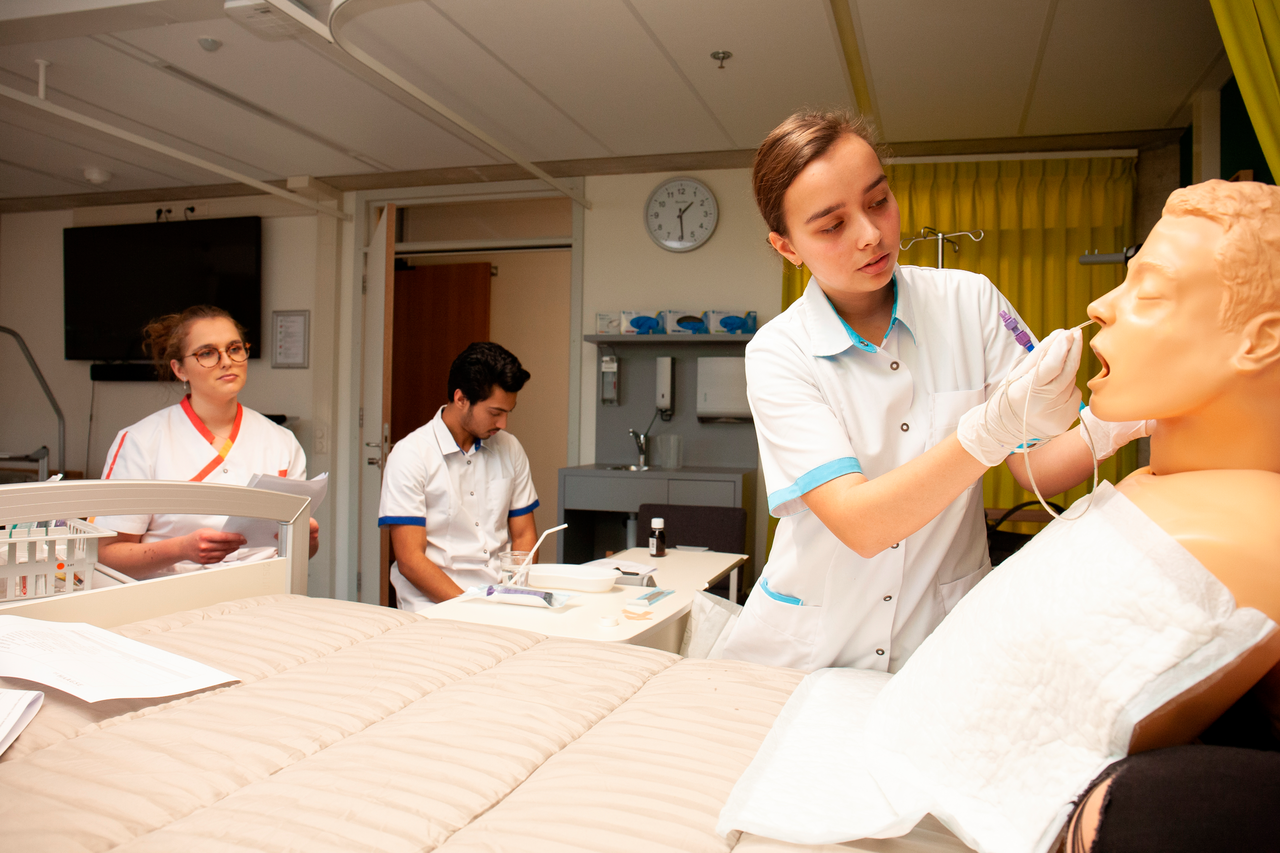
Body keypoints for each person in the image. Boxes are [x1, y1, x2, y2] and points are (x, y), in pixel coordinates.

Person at [720, 109, 1146, 672]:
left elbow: (1035, 470)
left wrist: (1132, 417)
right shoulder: (779, 352)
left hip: (941, 638)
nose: (871, 235)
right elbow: (861, 524)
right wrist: (989, 431)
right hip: (812, 647)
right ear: (787, 247)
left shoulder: (970, 302)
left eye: (878, 201)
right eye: (831, 226)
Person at [1062, 180, 1280, 852]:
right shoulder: (1148, 484)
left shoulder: (1235, 541)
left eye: (1148, 291)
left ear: (1258, 340)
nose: (1100, 305)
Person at [96, 305, 320, 579]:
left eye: (235, 348)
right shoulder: (141, 442)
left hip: (263, 596)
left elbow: (296, 553)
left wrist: (308, 541)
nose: (226, 361)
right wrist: (180, 549)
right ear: (179, 369)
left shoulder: (282, 442)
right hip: (172, 602)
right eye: (207, 353)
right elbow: (106, 554)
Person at [378, 342, 539, 611]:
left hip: (501, 601)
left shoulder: (510, 448)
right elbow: (409, 559)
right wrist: (472, 608)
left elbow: (524, 536)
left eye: (508, 413)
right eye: (495, 413)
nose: (503, 424)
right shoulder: (410, 455)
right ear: (461, 398)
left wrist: (515, 595)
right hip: (435, 606)